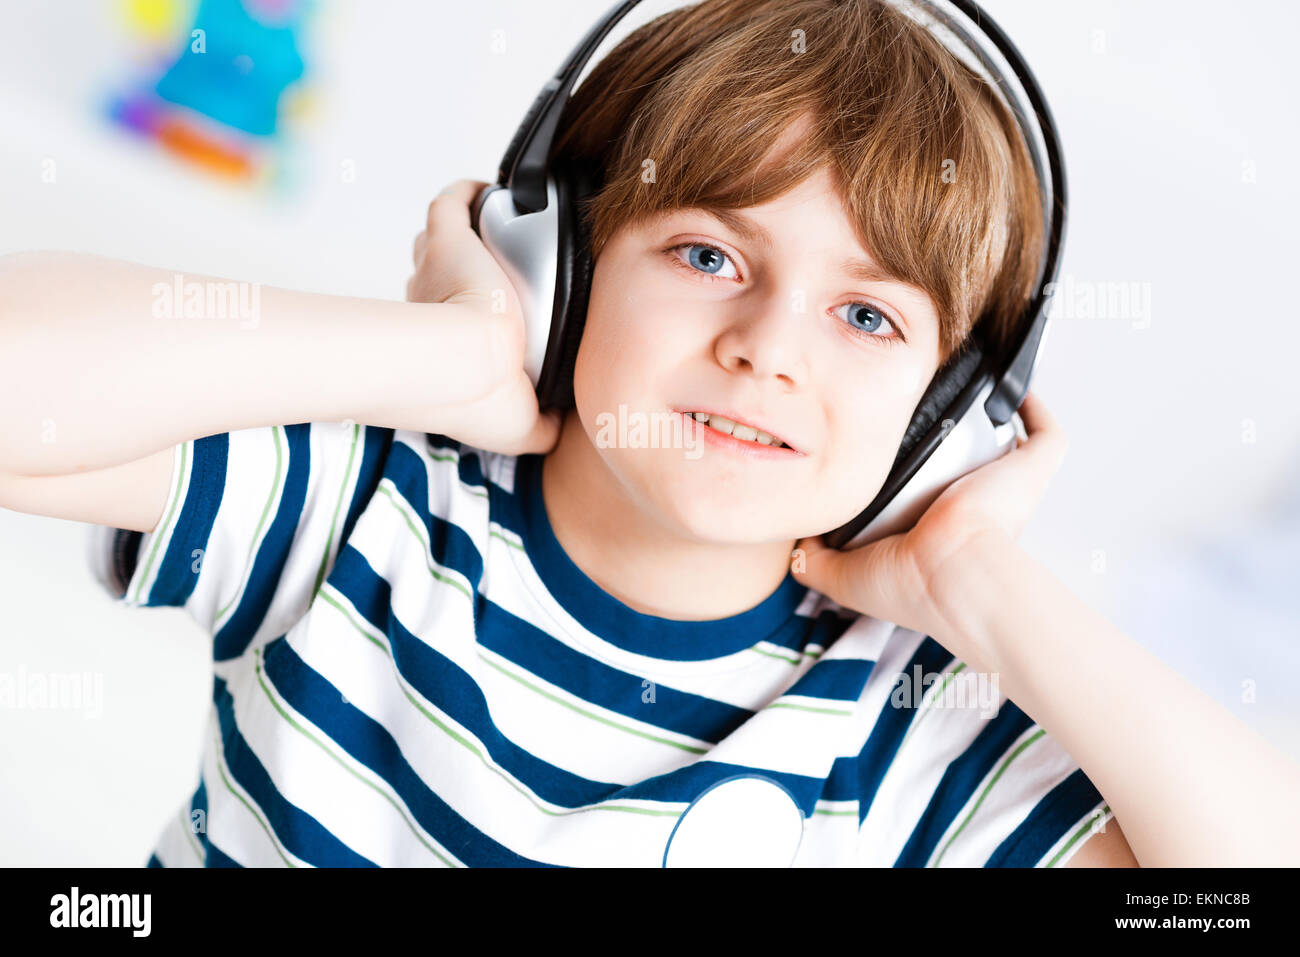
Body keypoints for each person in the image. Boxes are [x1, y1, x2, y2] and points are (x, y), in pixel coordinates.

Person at [2, 0, 1297, 867]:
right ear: (556, 262)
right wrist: (450, 350)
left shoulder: (907, 722)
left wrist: (978, 578)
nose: (769, 348)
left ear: (949, 421)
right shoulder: (369, 505)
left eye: (867, 315)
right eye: (706, 253)